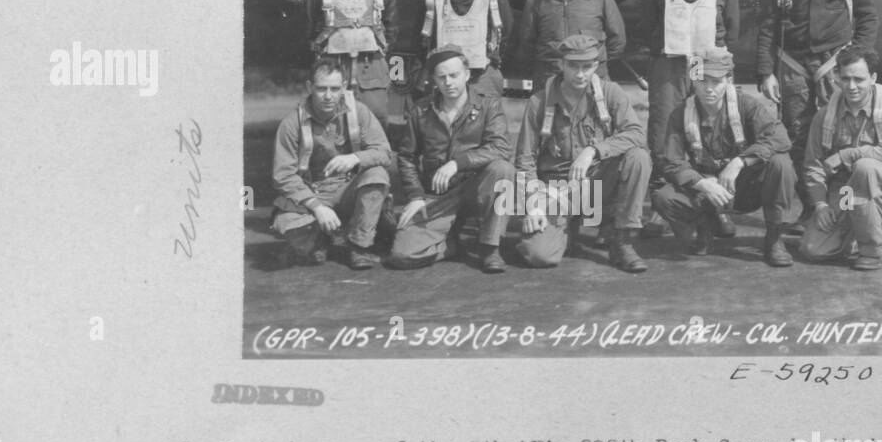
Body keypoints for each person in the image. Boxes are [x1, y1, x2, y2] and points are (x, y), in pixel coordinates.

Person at [756, 0, 878, 220]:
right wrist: (765, 71)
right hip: (793, 64)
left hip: (834, 63)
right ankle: (813, 207)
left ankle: (846, 209)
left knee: (839, 135)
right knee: (797, 137)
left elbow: (867, 16)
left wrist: (856, 58)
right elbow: (768, 24)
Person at [636, 0, 740, 238]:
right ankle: (660, 207)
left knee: (709, 131)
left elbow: (732, 30)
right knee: (664, 130)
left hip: (706, 66)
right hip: (670, 64)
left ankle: (717, 207)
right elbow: (647, 24)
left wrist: (717, 65)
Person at [513, 35, 650, 273]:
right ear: (561, 65)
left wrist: (593, 150)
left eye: (587, 67)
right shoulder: (539, 102)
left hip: (597, 182)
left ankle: (622, 242)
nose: (580, 74)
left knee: (638, 157)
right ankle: (568, 224)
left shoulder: (610, 93)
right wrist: (533, 205)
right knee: (539, 255)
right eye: (573, 66)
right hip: (557, 189)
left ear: (596, 66)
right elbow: (525, 159)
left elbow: (636, 133)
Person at [652, 47, 796, 266]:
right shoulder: (681, 113)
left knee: (781, 163)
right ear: (693, 80)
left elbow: (780, 138)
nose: (708, 89)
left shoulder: (747, 105)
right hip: (707, 190)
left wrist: (741, 162)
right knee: (664, 197)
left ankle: (775, 239)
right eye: (702, 81)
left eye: (716, 81)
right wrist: (700, 183)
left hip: (745, 187)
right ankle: (705, 227)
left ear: (729, 80)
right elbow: (670, 160)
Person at [388, 46, 515, 274]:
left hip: (474, 189)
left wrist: (458, 162)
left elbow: (501, 147)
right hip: (438, 195)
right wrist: (416, 196)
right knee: (402, 255)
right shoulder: (421, 111)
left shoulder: (488, 106)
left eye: (454, 75)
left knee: (503, 170)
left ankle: (490, 247)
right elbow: (406, 157)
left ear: (467, 74)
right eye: (442, 77)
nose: (448, 82)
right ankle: (449, 243)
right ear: (434, 80)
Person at [799, 46, 882, 271]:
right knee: (813, 249)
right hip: (847, 193)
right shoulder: (824, 116)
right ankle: (863, 228)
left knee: (866, 168)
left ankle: (872, 250)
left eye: (859, 79)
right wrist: (820, 204)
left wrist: (848, 154)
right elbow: (813, 165)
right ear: (836, 77)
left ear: (873, 78)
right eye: (845, 78)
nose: (852, 86)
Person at [270, 61, 393, 271]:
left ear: (344, 87)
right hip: (312, 193)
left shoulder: (359, 112)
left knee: (377, 175)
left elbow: (384, 152)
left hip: (348, 191)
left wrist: (354, 158)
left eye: (335, 89)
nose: (328, 96)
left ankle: (358, 245)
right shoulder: (291, 124)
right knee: (287, 225)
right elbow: (282, 176)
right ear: (310, 88)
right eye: (321, 88)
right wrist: (317, 207)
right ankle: (319, 239)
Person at [304, 0, 401, 132]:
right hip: (333, 65)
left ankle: (371, 163)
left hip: (372, 67)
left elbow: (391, 30)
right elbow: (310, 29)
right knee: (329, 125)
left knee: (375, 124)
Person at [419, 0, 514, 99]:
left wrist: (491, 59)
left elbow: (506, 35)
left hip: (482, 75)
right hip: (445, 76)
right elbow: (421, 38)